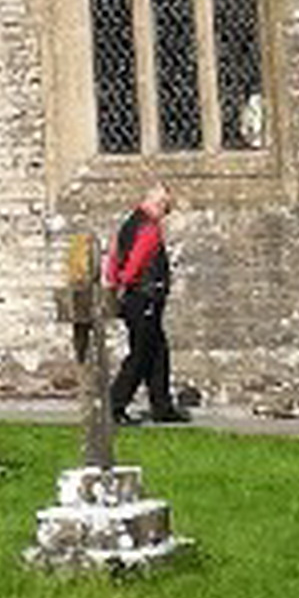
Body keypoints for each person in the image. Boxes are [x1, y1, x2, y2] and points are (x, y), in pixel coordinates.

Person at [106, 181, 179, 425]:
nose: (164, 216)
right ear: (157, 204)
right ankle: (114, 404)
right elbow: (136, 261)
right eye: (165, 209)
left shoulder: (129, 223)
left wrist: (114, 282)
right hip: (143, 297)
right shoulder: (148, 228)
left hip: (135, 297)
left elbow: (114, 256)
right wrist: (126, 283)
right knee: (141, 353)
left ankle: (162, 406)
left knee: (158, 351)